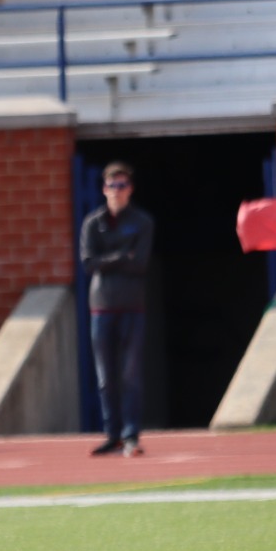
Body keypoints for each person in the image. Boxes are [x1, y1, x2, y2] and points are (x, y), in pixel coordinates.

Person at [80, 161, 155, 457]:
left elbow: (140, 263)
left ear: (130, 189)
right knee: (105, 377)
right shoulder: (92, 223)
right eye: (112, 186)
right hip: (101, 307)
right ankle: (112, 435)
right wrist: (122, 255)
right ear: (104, 189)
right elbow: (89, 263)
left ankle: (131, 434)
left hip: (132, 306)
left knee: (130, 374)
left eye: (122, 186)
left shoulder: (143, 222)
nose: (117, 191)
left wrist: (108, 260)